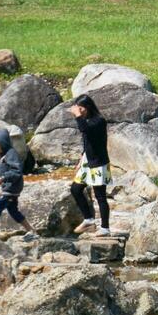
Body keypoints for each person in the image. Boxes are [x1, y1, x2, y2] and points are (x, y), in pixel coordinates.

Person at [68, 93, 112, 236]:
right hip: (88, 161)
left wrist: (77, 115)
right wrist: (82, 158)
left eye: (81, 108)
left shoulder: (99, 121)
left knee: (100, 196)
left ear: (87, 108)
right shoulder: (86, 120)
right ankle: (89, 219)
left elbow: (85, 129)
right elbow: (88, 141)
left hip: (99, 163)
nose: (79, 111)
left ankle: (105, 228)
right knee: (75, 189)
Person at [0, 128, 34, 239]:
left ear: (4, 143)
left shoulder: (12, 154)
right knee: (13, 211)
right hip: (9, 187)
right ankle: (31, 230)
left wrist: (3, 177)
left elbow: (17, 171)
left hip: (11, 187)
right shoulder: (4, 154)